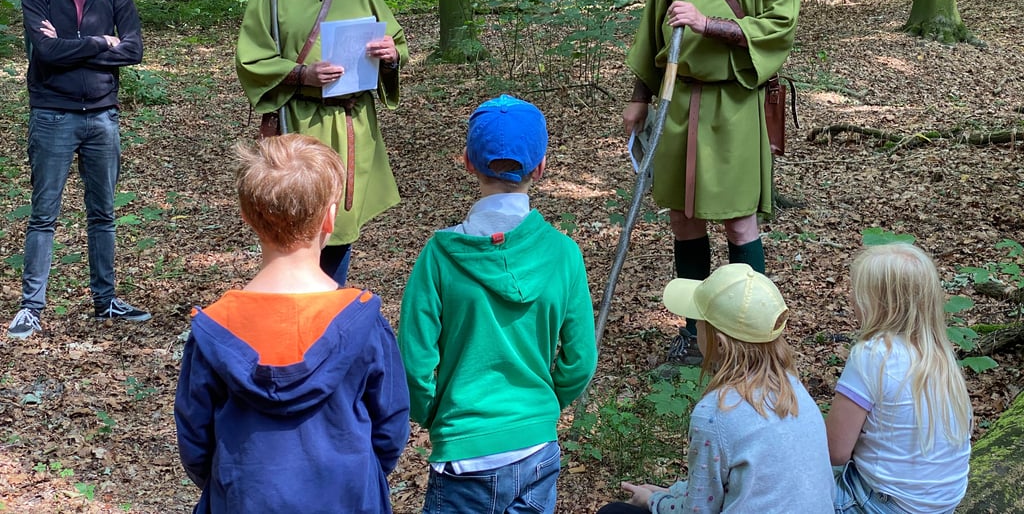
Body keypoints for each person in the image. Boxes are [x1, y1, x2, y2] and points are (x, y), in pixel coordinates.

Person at [621, 0, 799, 364]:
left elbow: (779, 23)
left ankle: (752, 334)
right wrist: (639, 97)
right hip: (678, 104)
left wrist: (708, 24)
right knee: (683, 218)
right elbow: (651, 25)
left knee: (740, 220)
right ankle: (694, 334)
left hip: (735, 101)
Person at [174, 134, 410, 513]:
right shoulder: (362, 323)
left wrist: (232, 487)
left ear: (247, 216)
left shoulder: (217, 328)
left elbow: (195, 439)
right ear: (330, 218)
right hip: (348, 499)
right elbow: (391, 426)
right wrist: (359, 481)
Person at [398, 94, 598, 514]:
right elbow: (579, 361)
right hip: (537, 446)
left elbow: (414, 363)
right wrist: (541, 406)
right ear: (540, 168)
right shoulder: (563, 253)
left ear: (468, 162)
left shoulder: (439, 257)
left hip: (464, 451)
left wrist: (434, 416)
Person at [235, 0, 408, 286]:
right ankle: (293, 299)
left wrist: (390, 55)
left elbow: (395, 41)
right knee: (297, 219)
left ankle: (329, 300)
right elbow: (251, 59)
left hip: (352, 125)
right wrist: (302, 74)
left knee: (340, 223)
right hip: (299, 123)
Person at [8, 0, 149, 339]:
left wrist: (79, 42)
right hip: (52, 114)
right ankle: (32, 307)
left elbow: (134, 49)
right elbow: (45, 52)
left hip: (103, 114)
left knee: (103, 213)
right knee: (44, 214)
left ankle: (105, 302)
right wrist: (100, 41)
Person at [598, 263, 834, 513]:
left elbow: (697, 511)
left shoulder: (716, 412)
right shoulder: (792, 387)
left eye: (698, 321)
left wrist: (653, 501)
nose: (693, 326)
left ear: (719, 344)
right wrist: (675, 492)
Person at [825, 243, 972, 513]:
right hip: (939, 504)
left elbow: (835, 451)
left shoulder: (871, 355)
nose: (850, 299)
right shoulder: (939, 355)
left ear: (878, 303)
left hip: (884, 504)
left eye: (857, 292)